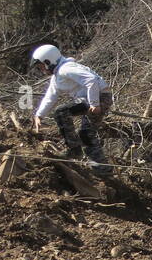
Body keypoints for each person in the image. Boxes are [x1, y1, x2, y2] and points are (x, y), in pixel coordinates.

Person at [30, 44, 112, 172]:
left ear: (48, 61)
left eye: (41, 66)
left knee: (61, 111)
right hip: (95, 98)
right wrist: (39, 115)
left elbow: (91, 80)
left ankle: (74, 149)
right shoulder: (57, 76)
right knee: (85, 134)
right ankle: (103, 169)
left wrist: (95, 104)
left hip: (99, 97)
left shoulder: (66, 69)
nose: (42, 70)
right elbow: (50, 97)